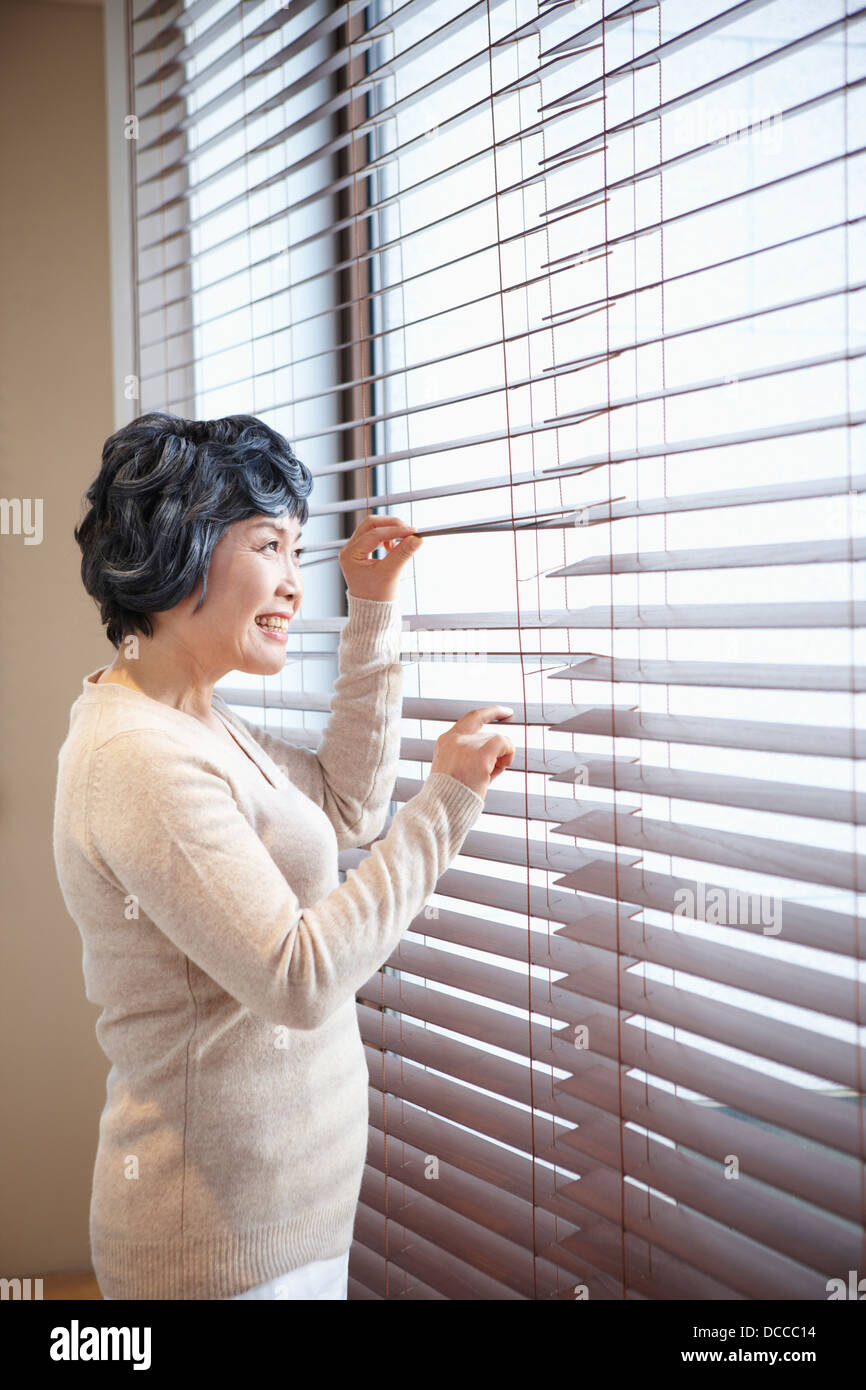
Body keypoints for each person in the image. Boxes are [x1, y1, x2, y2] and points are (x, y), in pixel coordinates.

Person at [53, 412, 515, 1300]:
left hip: (286, 1222)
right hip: (217, 1247)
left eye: (299, 552)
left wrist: (372, 605)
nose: (294, 586)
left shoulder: (200, 721)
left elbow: (346, 804)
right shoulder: (140, 756)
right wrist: (448, 802)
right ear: (179, 545)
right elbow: (299, 979)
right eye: (270, 544)